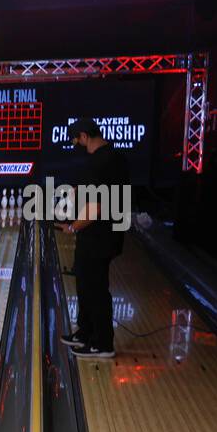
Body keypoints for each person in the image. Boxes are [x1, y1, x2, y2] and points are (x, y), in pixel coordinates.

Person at [60, 118, 128, 358]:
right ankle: (86, 331)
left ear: (84, 136)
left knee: (96, 287)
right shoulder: (110, 157)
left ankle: (102, 342)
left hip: (100, 235)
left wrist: (74, 227)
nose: (76, 144)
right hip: (101, 234)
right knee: (84, 280)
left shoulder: (103, 161)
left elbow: (97, 206)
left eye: (76, 139)